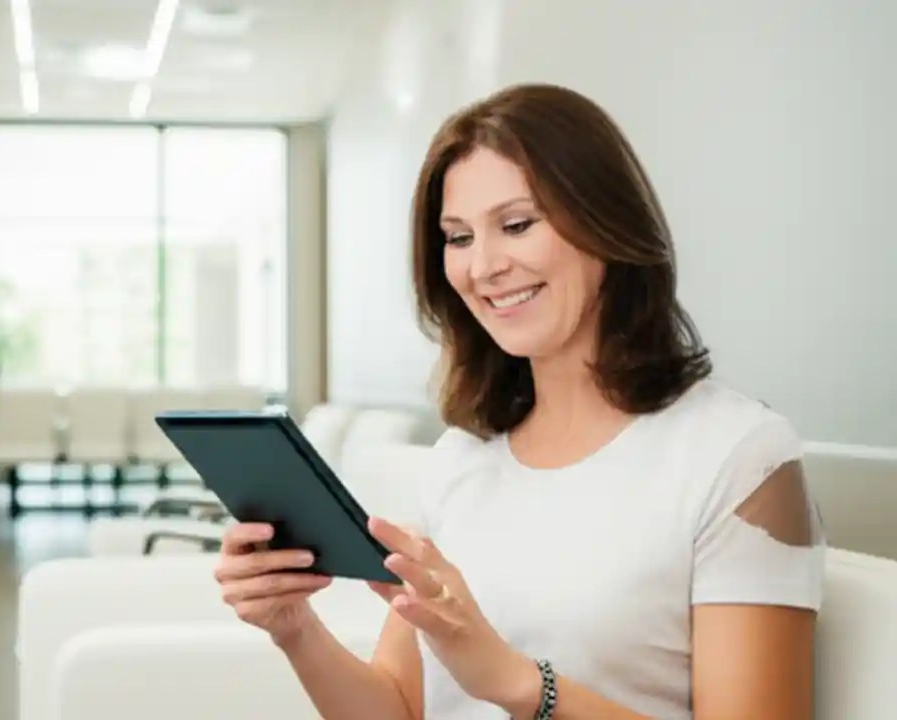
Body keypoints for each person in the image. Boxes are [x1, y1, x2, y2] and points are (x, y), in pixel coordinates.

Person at [211, 83, 824, 719]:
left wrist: (516, 682)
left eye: (516, 225)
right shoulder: (461, 458)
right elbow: (397, 710)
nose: (483, 267)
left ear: (606, 224)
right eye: (457, 238)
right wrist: (295, 629)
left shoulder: (740, 454)